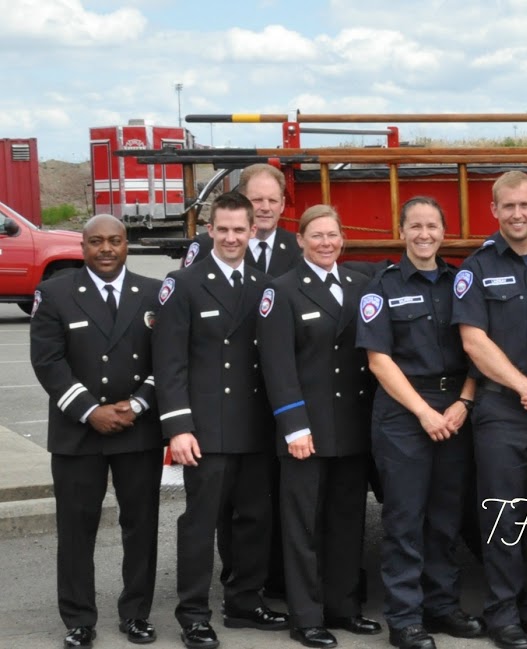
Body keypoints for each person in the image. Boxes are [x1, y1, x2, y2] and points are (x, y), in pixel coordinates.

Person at [154, 192, 287, 649]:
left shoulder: (265, 285)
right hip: (204, 429)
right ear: (210, 230)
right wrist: (178, 427)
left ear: (254, 231)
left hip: (254, 425)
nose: (231, 237)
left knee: (254, 517)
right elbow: (169, 362)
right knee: (201, 522)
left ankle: (244, 601)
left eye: (239, 229)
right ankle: (193, 613)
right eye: (223, 229)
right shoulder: (183, 283)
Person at [357, 196, 486, 649]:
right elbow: (379, 361)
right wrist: (423, 412)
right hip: (404, 411)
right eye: (415, 226)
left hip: (454, 407)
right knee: (405, 518)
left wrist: (464, 403)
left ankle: (442, 606)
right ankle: (405, 618)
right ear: (402, 231)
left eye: (432, 225)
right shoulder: (382, 288)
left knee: (446, 517)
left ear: (444, 231)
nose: (424, 233)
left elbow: (478, 346)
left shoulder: (461, 283)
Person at [31, 215, 163, 649]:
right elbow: (48, 362)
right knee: (76, 528)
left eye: (115, 241)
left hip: (136, 429)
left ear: (127, 244)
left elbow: (166, 359)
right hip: (78, 433)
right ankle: (79, 618)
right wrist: (90, 411)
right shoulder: (55, 292)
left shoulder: (153, 292)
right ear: (82, 246)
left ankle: (136, 614)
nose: (106, 249)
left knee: (140, 527)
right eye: (96, 242)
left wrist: (140, 403)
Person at [452, 171, 527, 649]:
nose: (519, 214)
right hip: (501, 410)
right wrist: (526, 385)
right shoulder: (474, 269)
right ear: (494, 210)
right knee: (503, 517)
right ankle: (503, 614)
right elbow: (473, 341)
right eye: (510, 207)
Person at [257, 205, 378, 649]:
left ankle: (343, 607)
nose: (326, 243)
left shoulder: (358, 287)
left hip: (351, 428)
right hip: (305, 431)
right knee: (303, 527)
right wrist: (293, 427)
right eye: (317, 236)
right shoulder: (281, 291)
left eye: (333, 235)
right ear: (301, 241)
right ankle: (306, 617)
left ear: (342, 239)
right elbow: (277, 365)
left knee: (347, 523)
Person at [183, 163, 304, 278]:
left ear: (282, 204)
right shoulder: (207, 245)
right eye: (257, 200)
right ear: (242, 201)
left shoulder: (299, 247)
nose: (266, 208)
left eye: (273, 201)